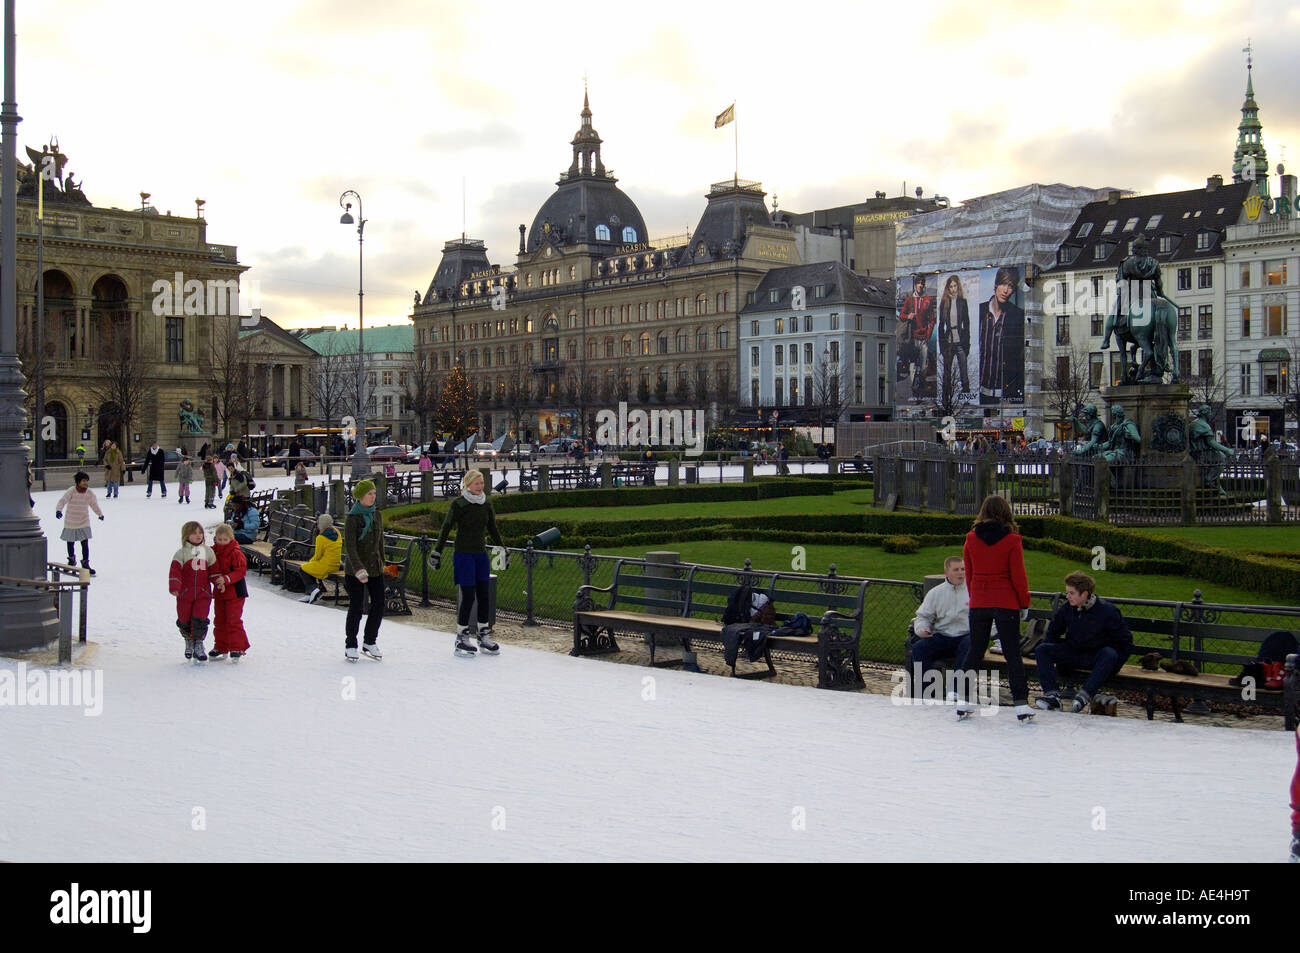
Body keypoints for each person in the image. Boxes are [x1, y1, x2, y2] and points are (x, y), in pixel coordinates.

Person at [957, 494, 1034, 721]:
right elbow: (1018, 576)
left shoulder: (971, 539)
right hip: (1005, 601)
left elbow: (969, 573)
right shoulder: (1012, 540)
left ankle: (963, 698)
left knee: (976, 649)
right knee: (1012, 653)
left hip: (979, 600)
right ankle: (1021, 703)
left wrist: (975, 597)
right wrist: (1024, 602)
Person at [431, 469, 507, 658]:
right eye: (476, 484)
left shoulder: (486, 503)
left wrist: (502, 549)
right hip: (464, 555)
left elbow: (492, 528)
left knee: (484, 595)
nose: (480, 487)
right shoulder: (459, 504)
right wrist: (437, 551)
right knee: (468, 595)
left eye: (482, 484)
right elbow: (446, 527)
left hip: (480, 554)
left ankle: (483, 634)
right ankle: (462, 636)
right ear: (467, 485)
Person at [1034, 571, 1134, 713]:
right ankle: (1052, 696)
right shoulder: (1067, 608)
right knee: (1042, 649)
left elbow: (1125, 642)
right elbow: (1053, 632)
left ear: (1085, 594)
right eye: (1067, 593)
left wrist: (1113, 667)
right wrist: (1057, 657)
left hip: (1095, 657)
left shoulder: (1107, 611)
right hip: (1072, 652)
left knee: (1109, 654)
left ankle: (1084, 696)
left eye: (1072, 593)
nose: (1067, 596)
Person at [906, 556, 971, 701]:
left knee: (970, 645)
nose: (961, 573)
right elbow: (923, 616)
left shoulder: (973, 591)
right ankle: (928, 691)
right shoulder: (936, 593)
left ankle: (955, 690)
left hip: (966, 636)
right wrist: (922, 629)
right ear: (946, 572)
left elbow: (986, 617)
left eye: (963, 569)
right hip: (943, 636)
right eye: (956, 570)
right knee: (919, 648)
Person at [342, 479, 385, 662]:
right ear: (360, 497)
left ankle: (370, 641)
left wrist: (382, 562)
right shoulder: (353, 518)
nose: (373, 497)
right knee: (357, 607)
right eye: (369, 494)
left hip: (375, 568)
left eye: (374, 493)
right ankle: (351, 644)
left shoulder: (377, 515)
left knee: (379, 604)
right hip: (356, 571)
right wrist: (358, 568)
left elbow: (379, 542)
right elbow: (350, 547)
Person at [169, 521, 216, 662]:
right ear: (186, 535)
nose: (198, 535)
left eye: (200, 532)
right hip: (185, 594)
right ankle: (188, 640)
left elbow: (214, 570)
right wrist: (175, 587)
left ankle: (199, 644)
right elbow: (175, 571)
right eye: (194, 533)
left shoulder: (208, 552)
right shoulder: (181, 553)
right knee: (184, 618)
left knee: (200, 618)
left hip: (203, 593)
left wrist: (218, 582)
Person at [978, 267, 1025, 402]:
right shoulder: (979, 311)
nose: (1005, 290)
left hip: (1006, 394)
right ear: (996, 284)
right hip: (978, 392)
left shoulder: (1017, 315)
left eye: (1010, 286)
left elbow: (1020, 357)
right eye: (1003, 284)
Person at [207, 522, 250, 661]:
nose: (222, 543)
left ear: (231, 539)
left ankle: (237, 647)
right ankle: (220, 646)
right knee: (219, 619)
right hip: (220, 591)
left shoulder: (236, 553)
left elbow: (240, 571)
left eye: (225, 540)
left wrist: (226, 579)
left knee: (233, 619)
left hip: (235, 591)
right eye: (219, 540)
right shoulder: (213, 552)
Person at [55, 471, 104, 576]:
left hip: (83, 521)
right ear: (78, 482)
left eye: (87, 481)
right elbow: (62, 501)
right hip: (71, 521)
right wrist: (59, 510)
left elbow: (94, 504)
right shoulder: (71, 491)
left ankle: (85, 563)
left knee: (84, 543)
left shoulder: (89, 493)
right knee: (70, 542)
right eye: (83, 481)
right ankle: (71, 560)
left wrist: (99, 514)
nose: (86, 483)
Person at [298, 513, 342, 604]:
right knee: (310, 567)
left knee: (303, 569)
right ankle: (309, 594)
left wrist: (310, 562)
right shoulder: (337, 532)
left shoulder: (321, 538)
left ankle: (313, 589)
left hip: (326, 567)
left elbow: (317, 556)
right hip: (336, 564)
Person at [938, 274, 971, 394]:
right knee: (947, 372)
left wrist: (967, 344)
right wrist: (942, 345)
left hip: (960, 341)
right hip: (948, 342)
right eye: (951, 286)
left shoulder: (962, 302)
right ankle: (946, 395)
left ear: (958, 286)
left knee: (964, 369)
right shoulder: (944, 303)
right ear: (948, 288)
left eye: (955, 286)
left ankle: (966, 393)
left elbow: (967, 324)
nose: (953, 289)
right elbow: (941, 326)